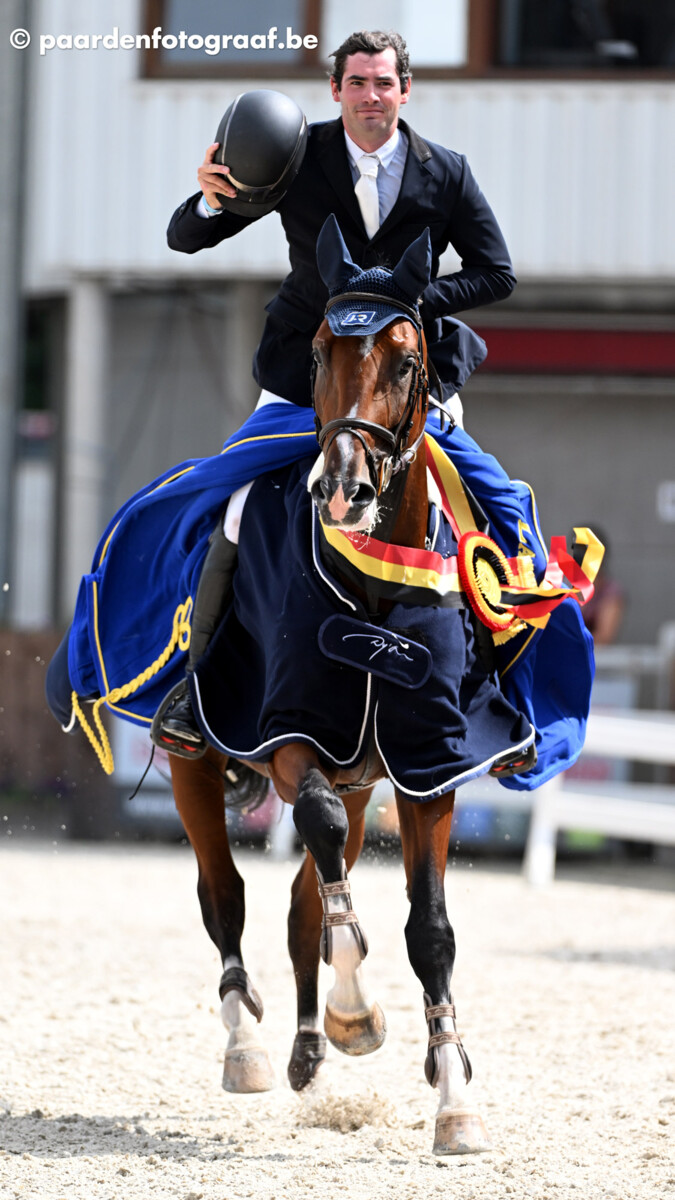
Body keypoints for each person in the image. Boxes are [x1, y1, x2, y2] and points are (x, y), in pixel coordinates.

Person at [158, 28, 519, 756]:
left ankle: (506, 688)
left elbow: (496, 271)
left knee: (495, 505)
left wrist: (409, 307)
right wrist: (206, 201)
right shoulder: (300, 161)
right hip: (305, 374)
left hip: (408, 383)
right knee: (233, 510)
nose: (370, 97)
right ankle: (195, 687)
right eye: (356, 83)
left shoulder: (444, 172)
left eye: (383, 83)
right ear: (336, 91)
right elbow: (186, 239)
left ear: (404, 90)